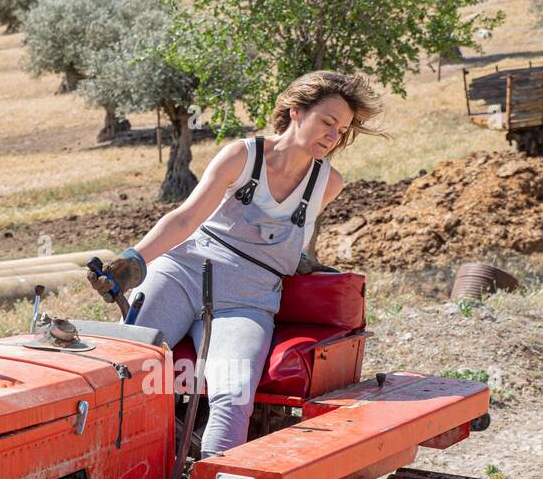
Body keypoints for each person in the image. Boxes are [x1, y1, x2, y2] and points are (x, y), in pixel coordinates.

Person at [88, 70, 381, 457]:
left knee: (234, 392)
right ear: (296, 111)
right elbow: (186, 218)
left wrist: (299, 261)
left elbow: (290, 240)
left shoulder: (328, 183)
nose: (333, 135)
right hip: (183, 273)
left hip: (247, 300)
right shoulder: (244, 156)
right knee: (125, 366)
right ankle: (105, 467)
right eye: (327, 122)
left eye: (341, 130)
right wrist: (134, 261)